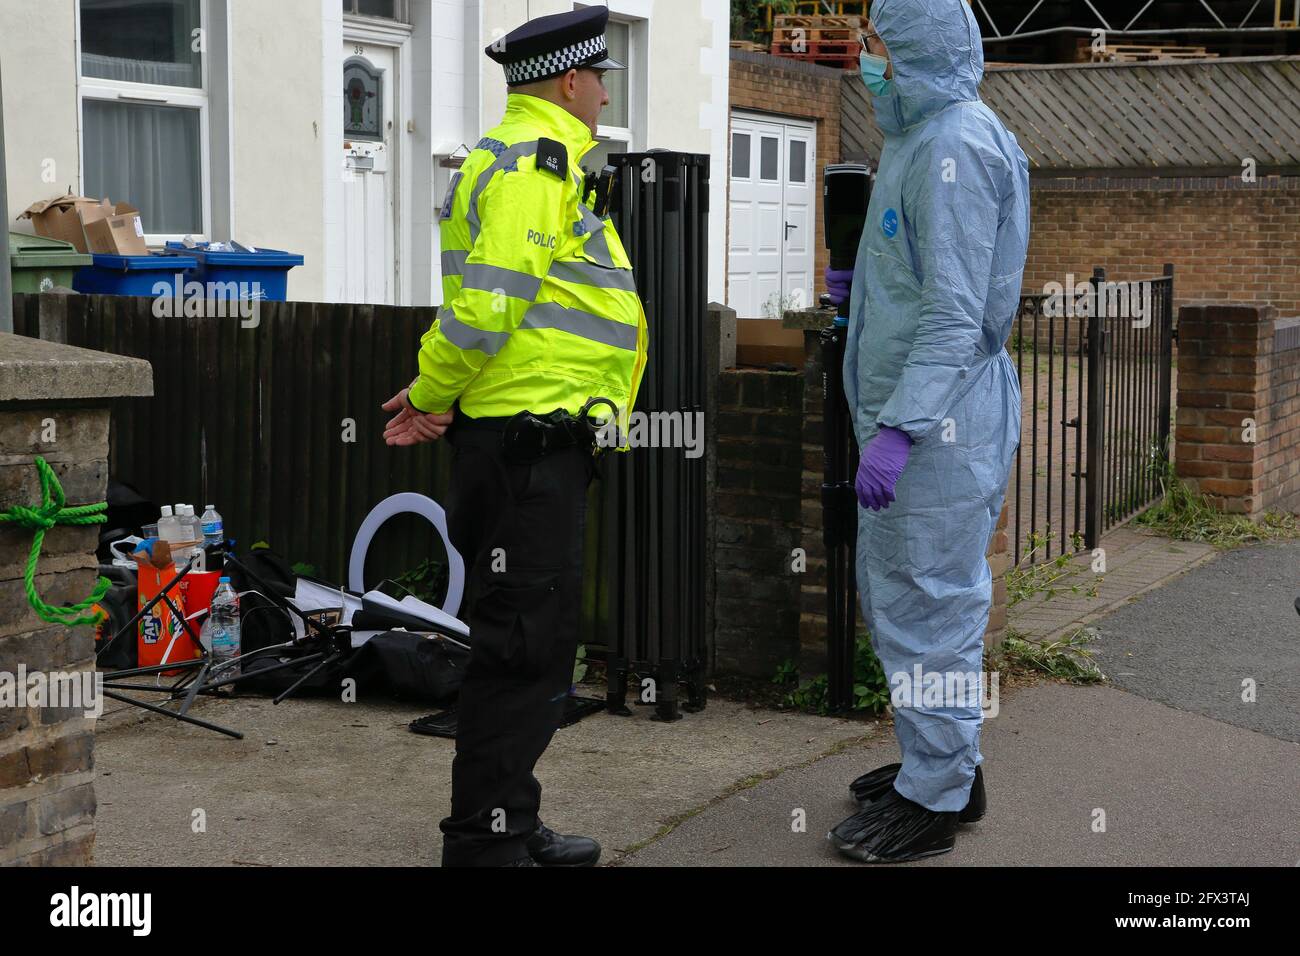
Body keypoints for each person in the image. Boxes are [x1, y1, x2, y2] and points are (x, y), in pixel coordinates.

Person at [381, 5, 647, 867]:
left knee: (525, 648)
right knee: (523, 653)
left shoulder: (509, 156)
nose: (606, 96)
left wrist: (439, 394)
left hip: (525, 444)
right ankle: (487, 846)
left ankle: (509, 826)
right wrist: (429, 391)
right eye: (601, 80)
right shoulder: (539, 164)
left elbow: (502, 303)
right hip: (529, 451)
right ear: (571, 82)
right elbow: (490, 302)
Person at [823, 0, 1030, 863]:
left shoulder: (952, 144)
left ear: (913, 47)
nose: (865, 54)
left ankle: (937, 798)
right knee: (908, 602)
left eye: (875, 41)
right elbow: (916, 285)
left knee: (933, 608)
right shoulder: (919, 134)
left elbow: (955, 315)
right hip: (917, 421)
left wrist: (900, 429)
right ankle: (941, 762)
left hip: (936, 429)